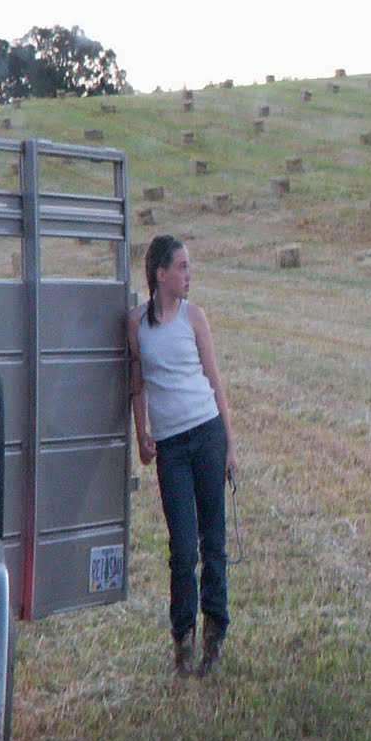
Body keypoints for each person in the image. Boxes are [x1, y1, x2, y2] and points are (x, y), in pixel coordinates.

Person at [127, 234, 238, 678]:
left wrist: (230, 444)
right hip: (171, 445)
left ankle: (214, 633)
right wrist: (142, 434)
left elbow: (214, 378)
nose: (189, 275)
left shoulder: (196, 317)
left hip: (206, 432)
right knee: (182, 547)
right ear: (160, 275)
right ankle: (183, 639)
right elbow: (136, 385)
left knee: (214, 542)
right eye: (183, 267)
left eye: (189, 267)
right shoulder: (136, 323)